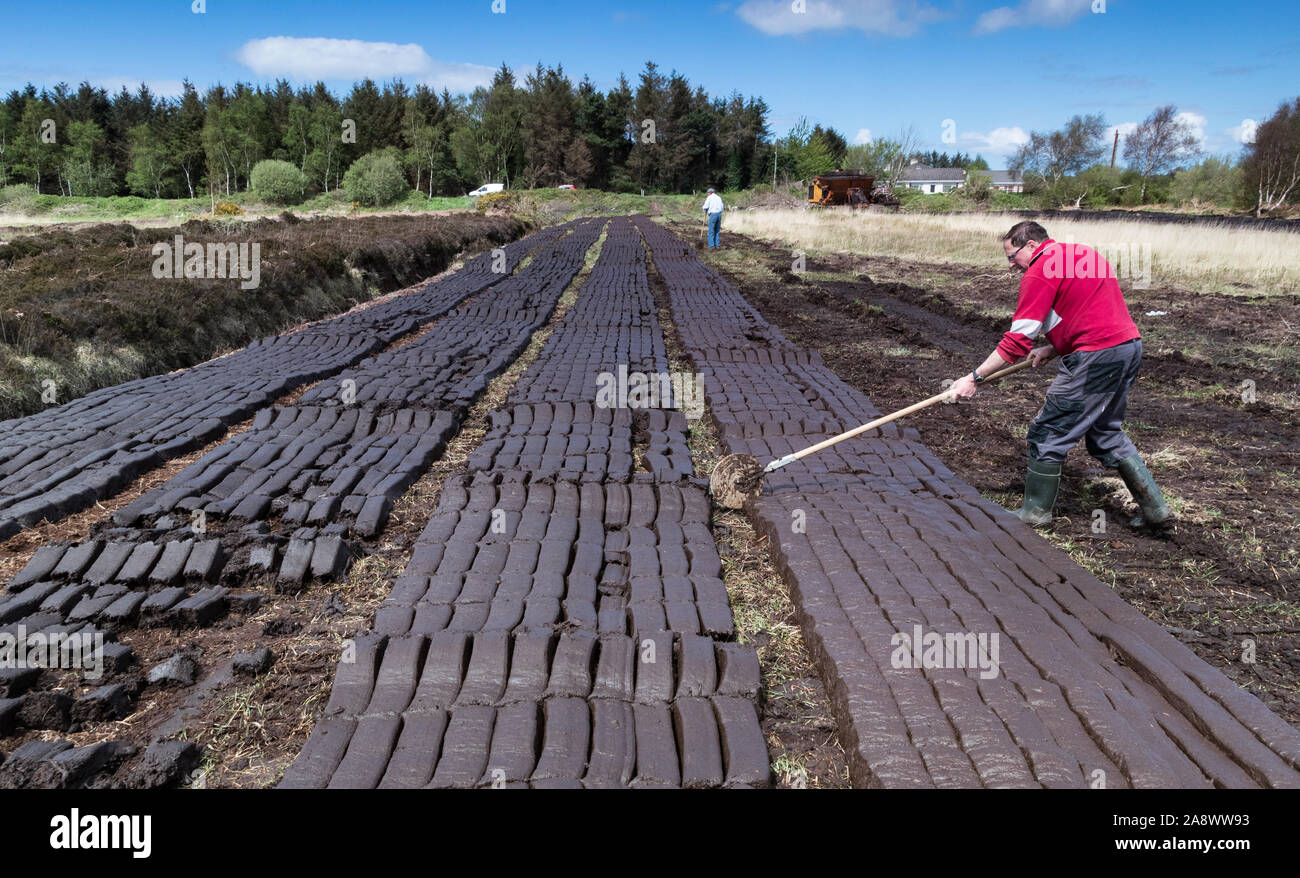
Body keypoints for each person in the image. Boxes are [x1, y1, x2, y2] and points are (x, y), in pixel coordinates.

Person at [947, 221, 1172, 529]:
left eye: (1012, 256)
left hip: (1096, 355)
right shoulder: (1083, 254)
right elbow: (1089, 309)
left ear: (1030, 246)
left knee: (1049, 430)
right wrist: (1054, 347)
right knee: (1105, 432)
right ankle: (1156, 511)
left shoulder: (1039, 271)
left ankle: (1036, 513)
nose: (1011, 266)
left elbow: (1017, 340)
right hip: (1127, 347)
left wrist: (974, 377)